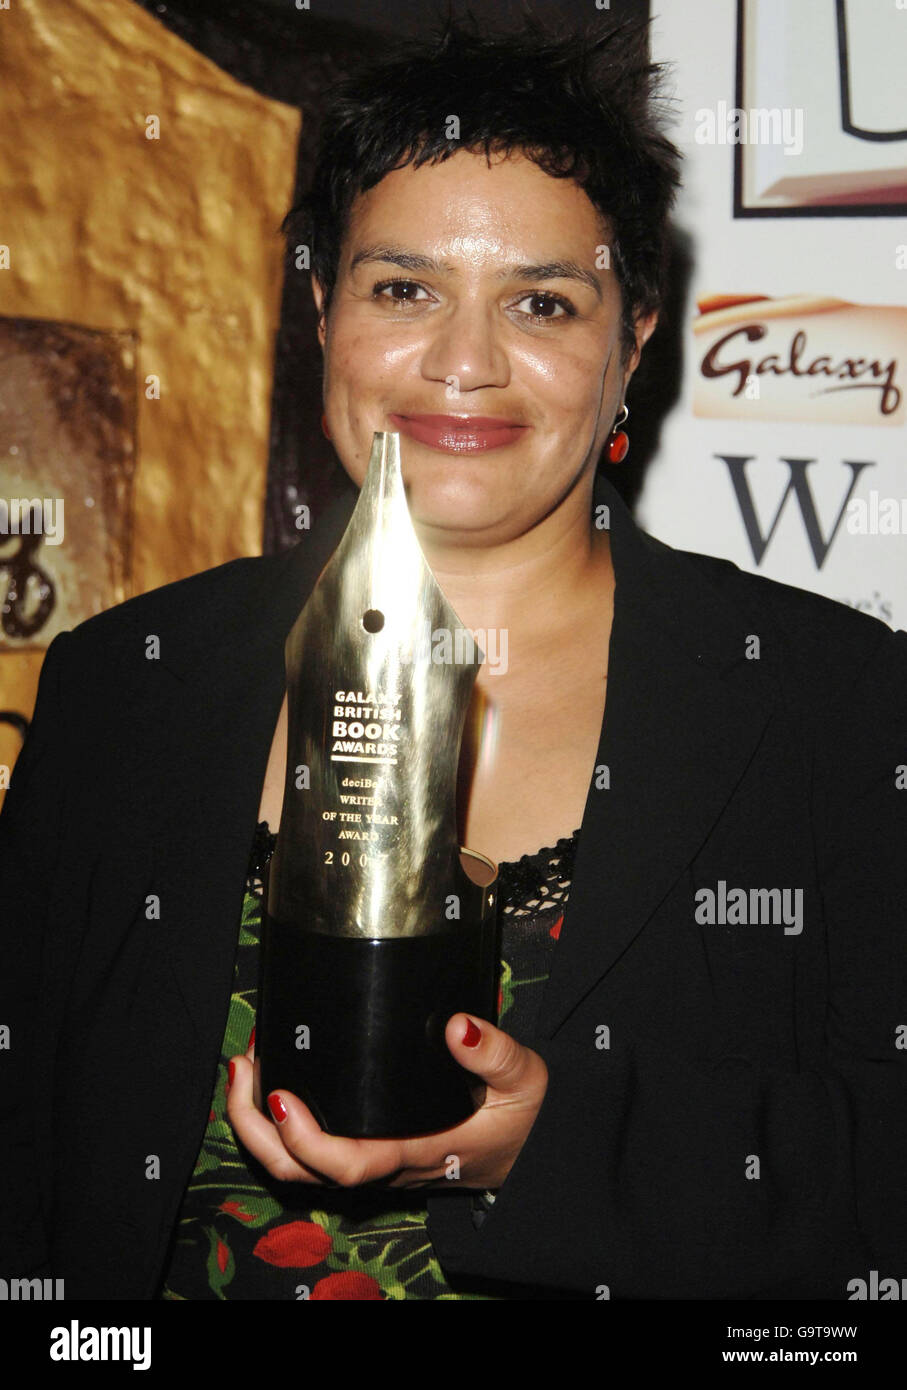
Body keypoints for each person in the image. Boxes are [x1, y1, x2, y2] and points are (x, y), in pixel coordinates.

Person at [1, 15, 905, 1302]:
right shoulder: (127, 682)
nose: (463, 363)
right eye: (404, 287)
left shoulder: (834, 703)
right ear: (321, 309)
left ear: (634, 338)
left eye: (542, 301)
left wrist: (554, 1147)